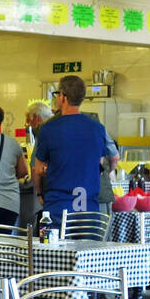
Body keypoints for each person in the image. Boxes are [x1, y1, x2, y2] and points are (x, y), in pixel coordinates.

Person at [32, 76, 115, 221]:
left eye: (57, 95)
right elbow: (100, 165)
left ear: (63, 97)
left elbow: (37, 170)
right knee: (89, 244)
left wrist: (40, 194)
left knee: (55, 243)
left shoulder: (48, 129)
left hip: (58, 207)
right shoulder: (98, 129)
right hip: (89, 208)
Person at [20, 101, 53, 225]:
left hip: (50, 193)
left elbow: (35, 168)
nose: (26, 125)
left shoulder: (44, 132)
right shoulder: (61, 127)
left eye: (28, 120)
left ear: (37, 118)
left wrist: (39, 194)